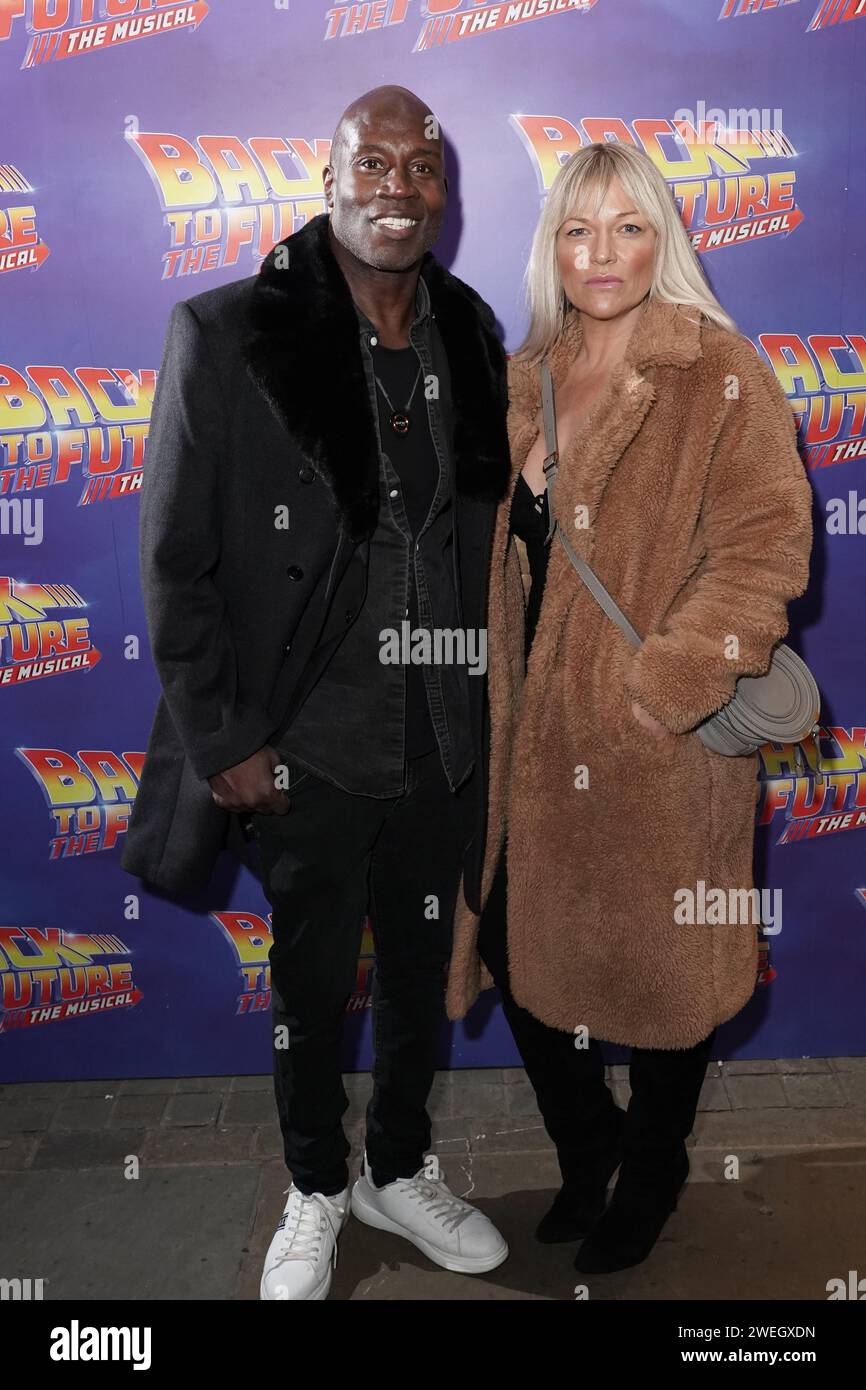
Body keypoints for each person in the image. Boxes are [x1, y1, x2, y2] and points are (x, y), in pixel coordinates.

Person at [122, 85, 512, 1300]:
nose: (398, 184)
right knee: (304, 988)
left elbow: (477, 538)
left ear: (442, 193)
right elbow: (173, 562)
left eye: (421, 166)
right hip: (304, 743)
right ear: (329, 178)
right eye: (372, 162)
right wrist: (228, 736)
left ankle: (399, 1165)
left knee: (415, 972)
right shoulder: (232, 332)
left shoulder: (468, 332)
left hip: (440, 732)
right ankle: (313, 1184)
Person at [444, 141, 813, 1274]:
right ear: (548, 246)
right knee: (516, 945)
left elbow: (763, 549)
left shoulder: (716, 370)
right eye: (575, 229)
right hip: (527, 740)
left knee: (664, 978)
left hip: (658, 745)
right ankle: (584, 1141)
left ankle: (646, 1168)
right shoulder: (519, 376)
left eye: (626, 227)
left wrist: (659, 690)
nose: (599, 254)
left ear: (662, 240)